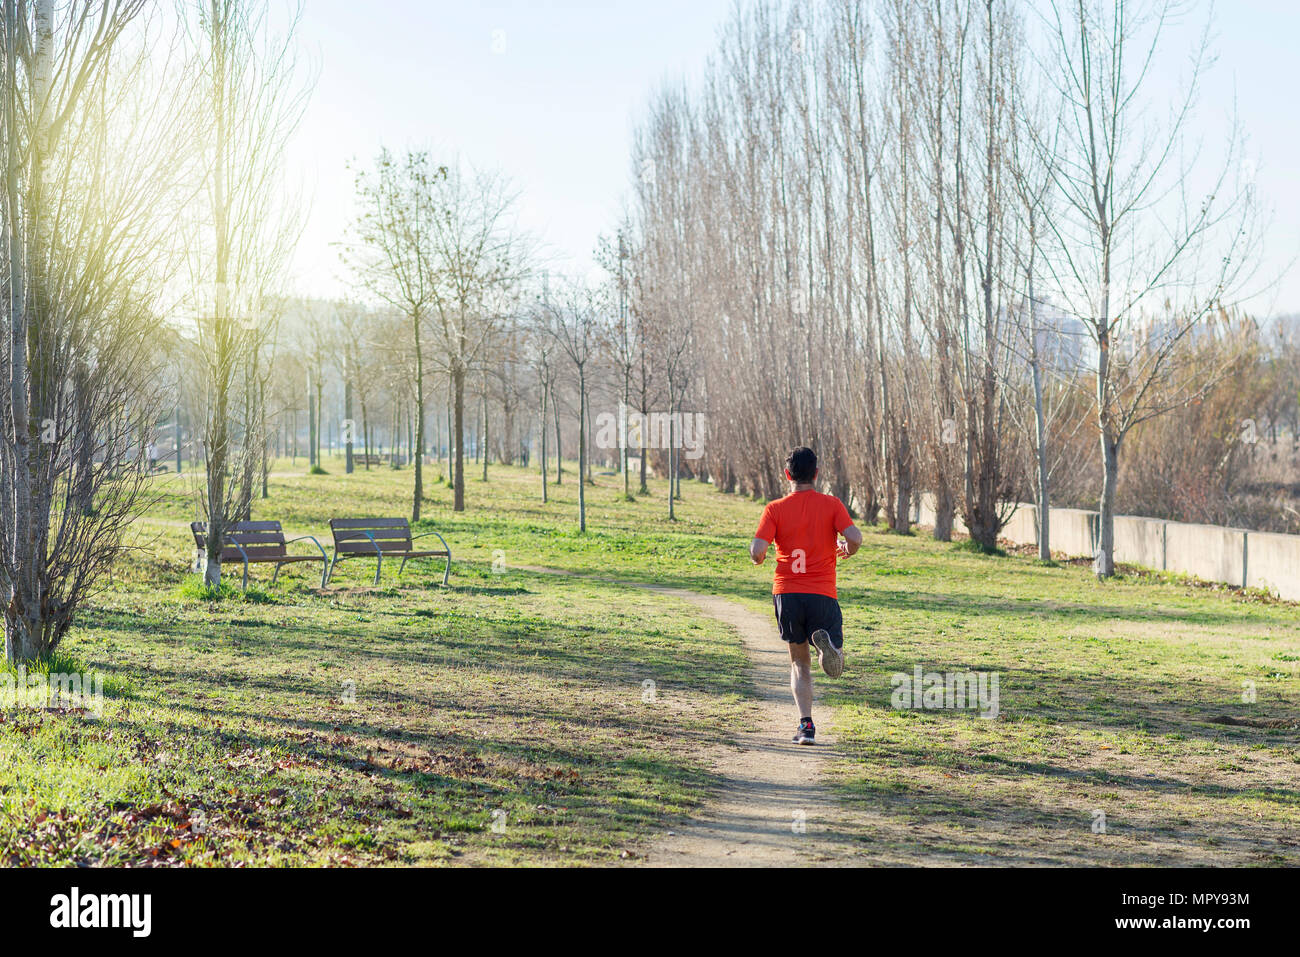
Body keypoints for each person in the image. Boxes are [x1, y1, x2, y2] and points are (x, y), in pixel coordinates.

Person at [749, 447, 862, 745]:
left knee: (799, 664)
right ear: (816, 473)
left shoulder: (774, 509)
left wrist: (758, 559)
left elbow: (757, 550)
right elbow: (855, 537)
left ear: (787, 475)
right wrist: (847, 550)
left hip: (788, 594)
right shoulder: (832, 504)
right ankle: (831, 649)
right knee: (833, 648)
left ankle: (806, 726)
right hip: (821, 593)